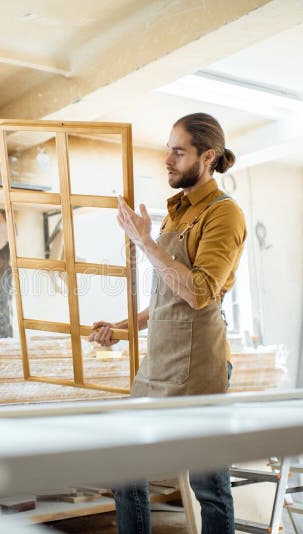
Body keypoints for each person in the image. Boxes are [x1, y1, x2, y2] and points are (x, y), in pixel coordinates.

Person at [89, 113, 247, 534]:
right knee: (125, 467)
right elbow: (166, 299)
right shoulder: (174, 214)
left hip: (199, 367)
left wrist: (144, 242)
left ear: (208, 157)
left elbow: (198, 292)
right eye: (168, 150)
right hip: (159, 365)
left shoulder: (224, 214)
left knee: (208, 486)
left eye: (179, 152)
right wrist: (120, 328)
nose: (168, 160)